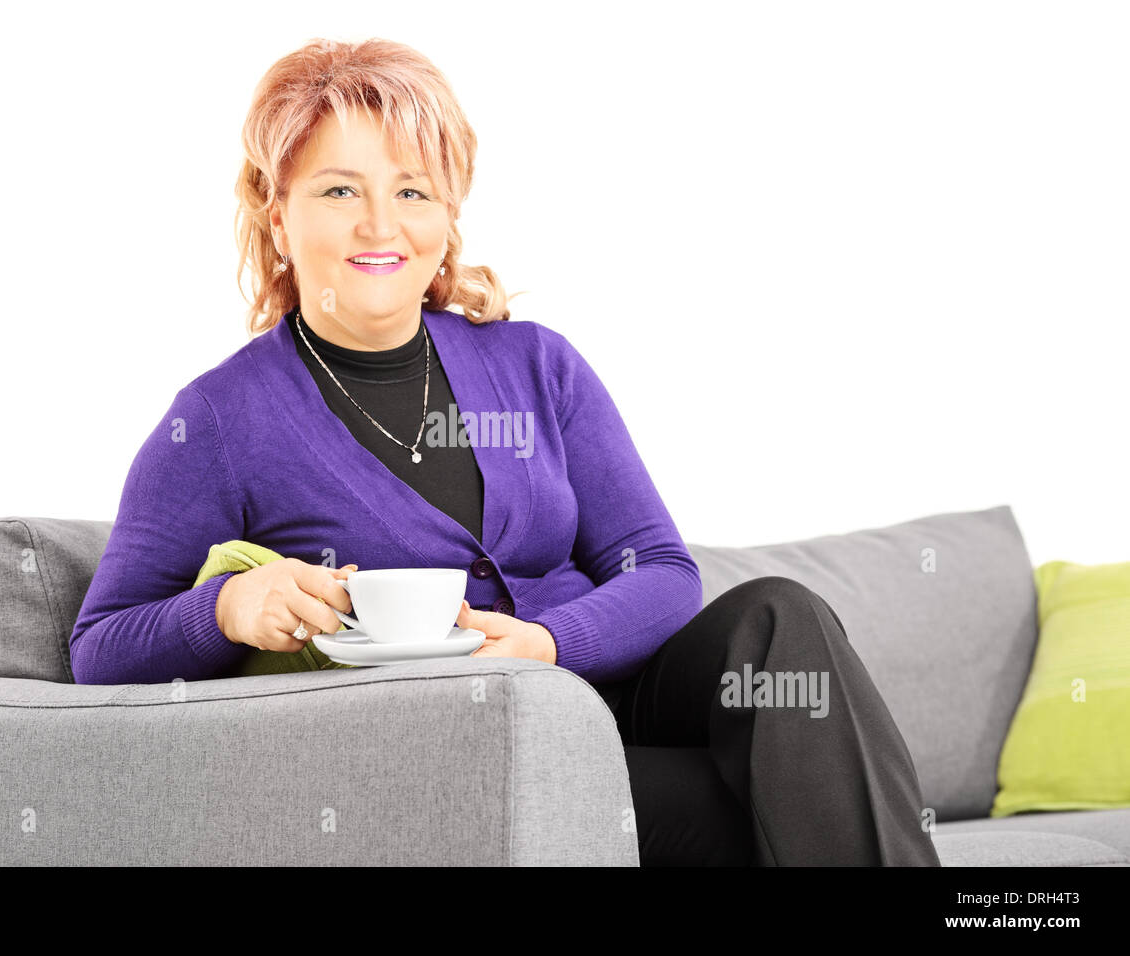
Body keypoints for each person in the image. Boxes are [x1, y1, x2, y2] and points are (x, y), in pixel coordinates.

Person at [68, 37, 940, 867]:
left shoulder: (534, 364)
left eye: (413, 191)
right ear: (276, 209)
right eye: (339, 191)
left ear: (448, 212)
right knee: (781, 797)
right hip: (484, 753)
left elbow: (665, 571)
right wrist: (223, 608)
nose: (383, 225)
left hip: (620, 693)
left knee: (781, 617)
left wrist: (552, 643)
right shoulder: (221, 419)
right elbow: (98, 648)